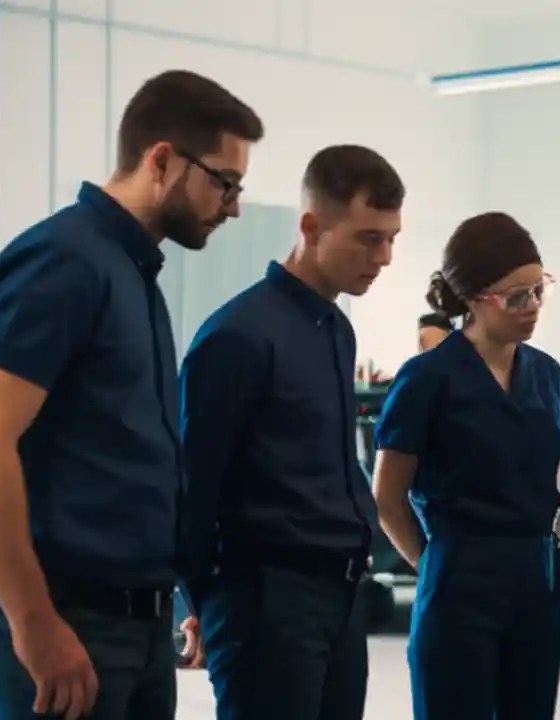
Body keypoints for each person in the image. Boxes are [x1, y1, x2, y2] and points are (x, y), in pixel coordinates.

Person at [0, 69, 263, 720]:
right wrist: (35, 625)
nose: (234, 205)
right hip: (67, 624)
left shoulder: (133, 273)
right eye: (224, 182)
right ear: (162, 160)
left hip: (137, 625)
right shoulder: (65, 262)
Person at [177, 144, 403, 719]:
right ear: (310, 226)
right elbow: (193, 487)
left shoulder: (336, 330)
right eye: (368, 238)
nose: (384, 257)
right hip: (267, 600)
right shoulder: (238, 336)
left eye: (392, 238)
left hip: (341, 596)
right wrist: (199, 602)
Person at [371, 212, 560, 720]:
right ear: (473, 300)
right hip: (460, 574)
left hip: (535, 578)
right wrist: (437, 564)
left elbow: (548, 476)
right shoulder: (427, 379)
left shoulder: (547, 375)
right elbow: (388, 497)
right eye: (516, 297)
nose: (532, 308)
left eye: (538, 291)